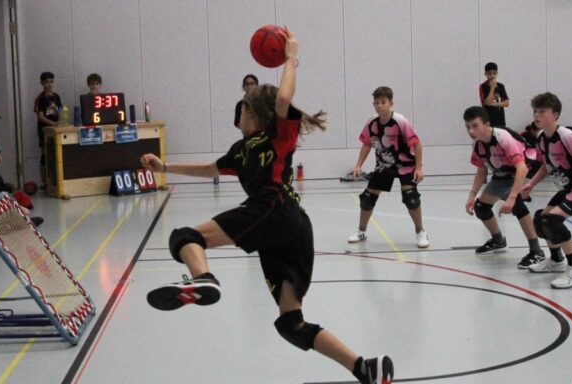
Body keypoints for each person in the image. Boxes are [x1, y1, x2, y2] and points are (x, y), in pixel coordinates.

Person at [140, 28, 393, 384]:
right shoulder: (240, 151)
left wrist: (291, 57)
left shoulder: (278, 135)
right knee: (290, 323)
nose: (238, 110)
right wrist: (165, 167)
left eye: (243, 106)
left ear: (256, 113)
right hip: (292, 228)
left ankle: (205, 280)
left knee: (184, 237)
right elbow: (211, 169)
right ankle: (364, 367)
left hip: (273, 207)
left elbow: (284, 98)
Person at [520, 93, 572, 289]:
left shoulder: (567, 137)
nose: (537, 115)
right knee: (541, 219)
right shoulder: (542, 139)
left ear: (555, 115)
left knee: (553, 220)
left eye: (542, 111)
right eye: (535, 111)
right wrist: (531, 184)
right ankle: (556, 261)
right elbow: (546, 165)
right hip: (569, 187)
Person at [463, 107, 544, 268]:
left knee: (517, 206)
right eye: (467, 127)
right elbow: (481, 171)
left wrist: (512, 198)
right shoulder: (477, 145)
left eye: (475, 125)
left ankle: (537, 251)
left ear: (486, 124)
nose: (471, 131)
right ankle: (498, 241)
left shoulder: (502, 138)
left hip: (522, 170)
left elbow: (522, 168)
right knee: (481, 207)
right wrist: (472, 195)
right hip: (502, 174)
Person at [348, 86, 428, 248]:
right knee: (367, 198)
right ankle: (361, 231)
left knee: (411, 197)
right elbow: (367, 144)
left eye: (383, 102)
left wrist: (418, 168)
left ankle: (420, 231)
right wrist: (358, 165)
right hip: (384, 164)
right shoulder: (372, 122)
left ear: (391, 103)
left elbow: (417, 144)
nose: (379, 106)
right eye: (376, 103)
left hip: (406, 164)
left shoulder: (400, 121)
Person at [34, 72, 62, 186]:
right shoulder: (40, 98)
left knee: (55, 154)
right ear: (42, 83)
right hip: (44, 130)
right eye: (46, 82)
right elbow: (40, 116)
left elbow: (60, 111)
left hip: (55, 130)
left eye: (51, 81)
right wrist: (53, 123)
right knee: (45, 154)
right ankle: (44, 182)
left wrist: (60, 121)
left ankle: (55, 180)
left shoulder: (56, 97)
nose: (49, 84)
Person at [478, 62, 510, 128]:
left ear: (497, 73)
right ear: (485, 74)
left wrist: (493, 104)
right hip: (488, 120)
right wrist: (492, 88)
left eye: (494, 73)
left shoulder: (501, 86)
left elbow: (506, 103)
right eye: (490, 73)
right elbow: (486, 102)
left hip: (500, 119)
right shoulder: (483, 86)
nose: (492, 76)